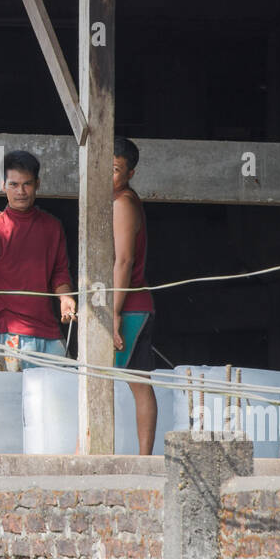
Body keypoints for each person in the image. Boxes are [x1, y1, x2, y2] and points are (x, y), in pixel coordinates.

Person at [0, 150, 76, 371]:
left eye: (27, 184)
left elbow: (59, 272)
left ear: (37, 184)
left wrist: (65, 297)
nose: (21, 191)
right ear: (3, 185)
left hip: (49, 333)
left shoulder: (52, 226)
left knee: (62, 399)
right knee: (9, 403)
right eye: (14, 184)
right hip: (9, 336)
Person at [112, 137, 158, 455]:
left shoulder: (123, 203)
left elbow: (124, 260)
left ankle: (143, 458)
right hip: (135, 305)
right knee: (138, 382)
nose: (108, 176)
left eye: (115, 169)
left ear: (131, 173)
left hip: (128, 307)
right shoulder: (124, 200)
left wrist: (113, 313)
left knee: (137, 385)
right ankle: (143, 457)